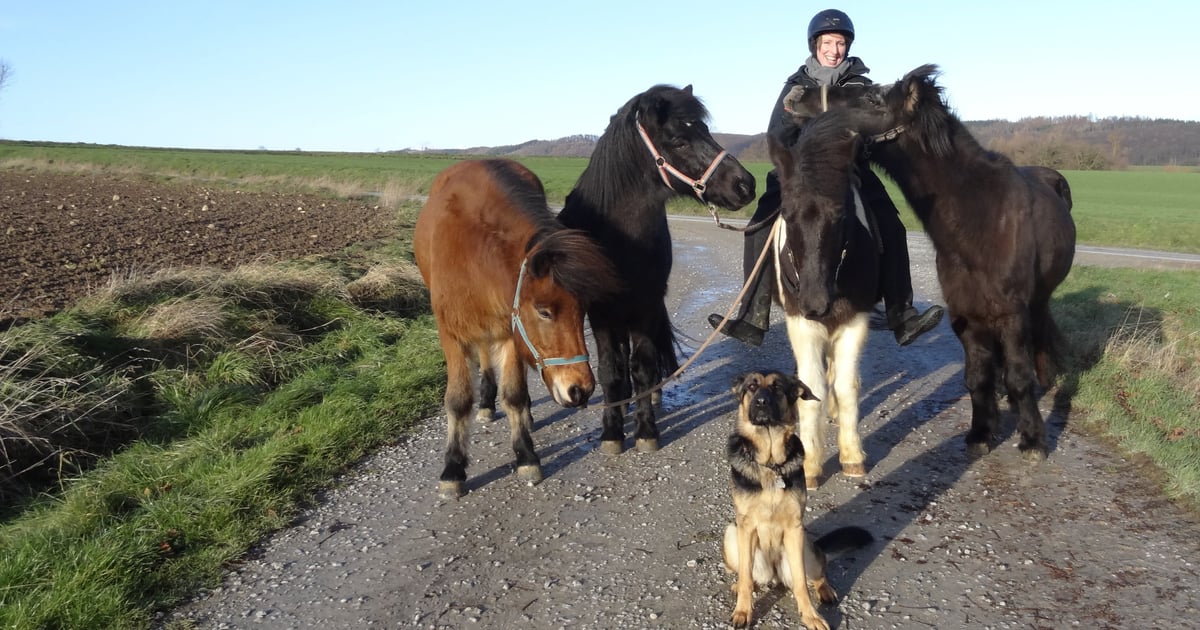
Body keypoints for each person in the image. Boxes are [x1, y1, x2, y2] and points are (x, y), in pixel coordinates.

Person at [708, 8, 944, 347]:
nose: (835, 50)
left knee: (891, 225)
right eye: (828, 42)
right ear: (815, 45)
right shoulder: (795, 86)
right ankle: (752, 316)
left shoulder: (861, 86)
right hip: (799, 171)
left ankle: (901, 314)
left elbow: (876, 130)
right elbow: (775, 134)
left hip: (851, 170)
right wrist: (794, 122)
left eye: (841, 43)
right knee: (760, 223)